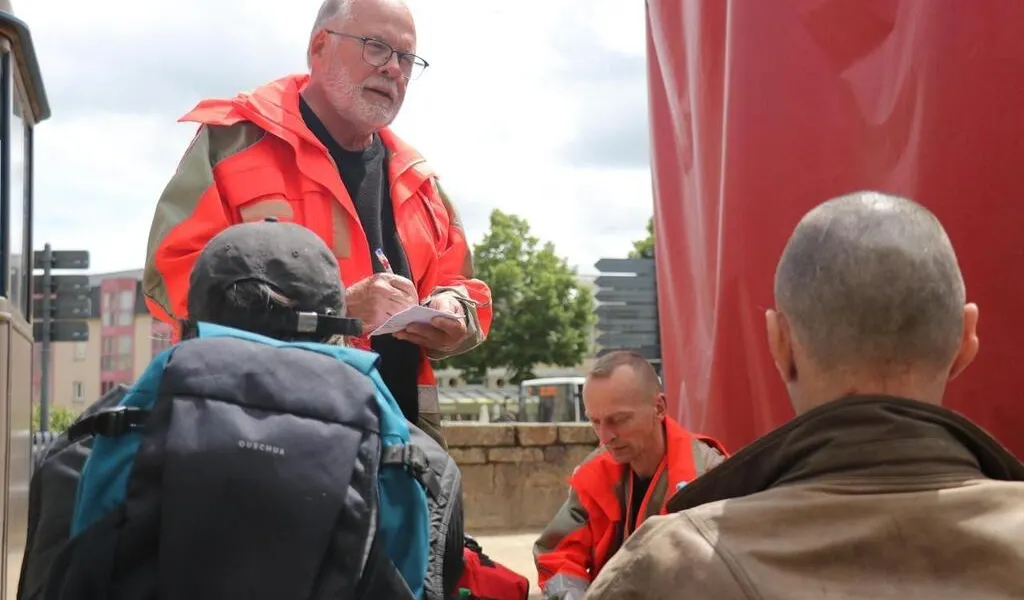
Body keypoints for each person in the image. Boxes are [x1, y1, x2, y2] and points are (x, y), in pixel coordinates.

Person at [585, 191, 1024, 599]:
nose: (607, 434)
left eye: (616, 419)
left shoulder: (669, 567)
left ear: (780, 345)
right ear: (966, 341)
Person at [141, 0, 491, 449]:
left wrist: (452, 309)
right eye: (377, 47)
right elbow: (171, 280)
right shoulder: (231, 144)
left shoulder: (420, 181)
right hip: (258, 446)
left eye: (407, 58)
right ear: (320, 46)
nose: (394, 70)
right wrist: (332, 314)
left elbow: (463, 285)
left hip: (399, 457)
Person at [532, 350, 728, 600]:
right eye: (595, 421)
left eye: (618, 420)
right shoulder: (596, 472)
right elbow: (559, 553)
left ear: (659, 408)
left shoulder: (710, 475)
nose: (605, 437)